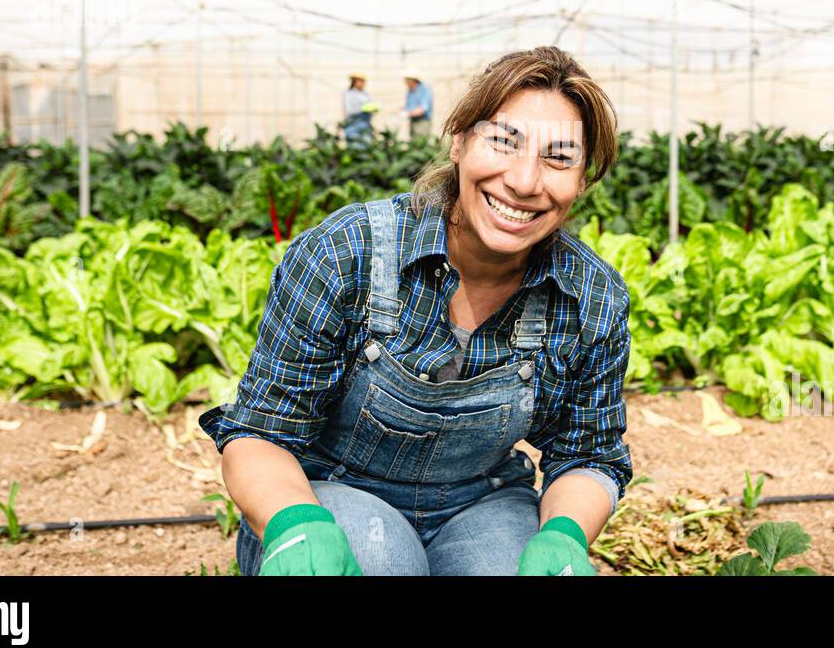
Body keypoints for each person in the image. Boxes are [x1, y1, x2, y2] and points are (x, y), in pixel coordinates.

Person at [200, 45, 632, 576]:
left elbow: (589, 455)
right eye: (503, 142)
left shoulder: (591, 296)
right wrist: (295, 524)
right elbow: (261, 434)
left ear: (583, 179)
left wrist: (564, 535)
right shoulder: (348, 252)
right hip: (331, 490)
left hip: (483, 502)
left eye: (559, 158)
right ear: (458, 141)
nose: (523, 181)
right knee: (380, 561)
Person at [341, 72, 380, 146]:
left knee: (366, 147)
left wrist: (373, 109)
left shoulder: (364, 94)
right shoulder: (349, 94)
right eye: (361, 81)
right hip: (354, 125)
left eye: (364, 81)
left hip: (365, 125)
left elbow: (369, 106)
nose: (363, 83)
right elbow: (349, 111)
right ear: (355, 81)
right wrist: (362, 108)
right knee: (355, 148)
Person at [402, 68, 435, 140]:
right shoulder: (410, 91)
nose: (405, 82)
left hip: (422, 122)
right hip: (413, 121)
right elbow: (409, 106)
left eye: (407, 80)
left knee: (420, 145)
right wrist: (401, 109)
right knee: (413, 144)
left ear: (413, 80)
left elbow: (423, 109)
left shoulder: (424, 89)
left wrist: (407, 114)